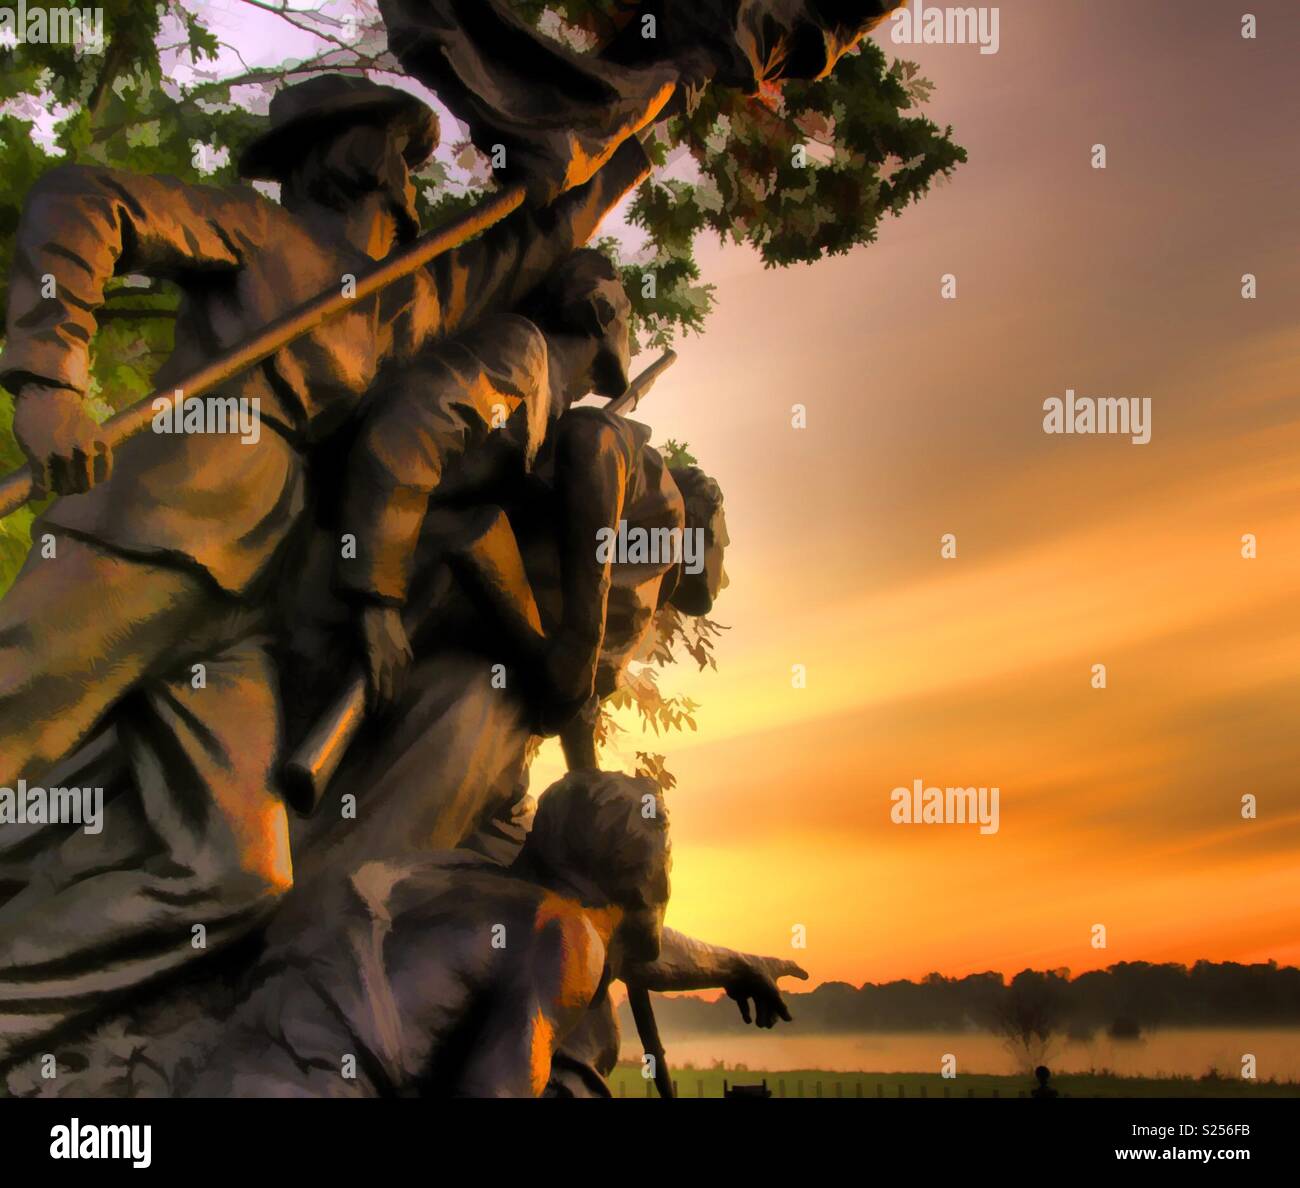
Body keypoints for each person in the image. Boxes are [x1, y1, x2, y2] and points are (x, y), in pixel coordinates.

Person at [0, 72, 651, 1059]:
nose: (413, 180)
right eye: (401, 152)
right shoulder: (256, 232)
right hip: (156, 526)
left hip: (245, 602)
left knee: (236, 873)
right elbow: (81, 198)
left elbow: (527, 236)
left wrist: (631, 136)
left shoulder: (407, 295)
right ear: (344, 155)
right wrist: (51, 376)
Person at [191, 770, 804, 1097]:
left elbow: (637, 951)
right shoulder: (567, 939)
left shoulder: (460, 879)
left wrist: (736, 964)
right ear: (645, 888)